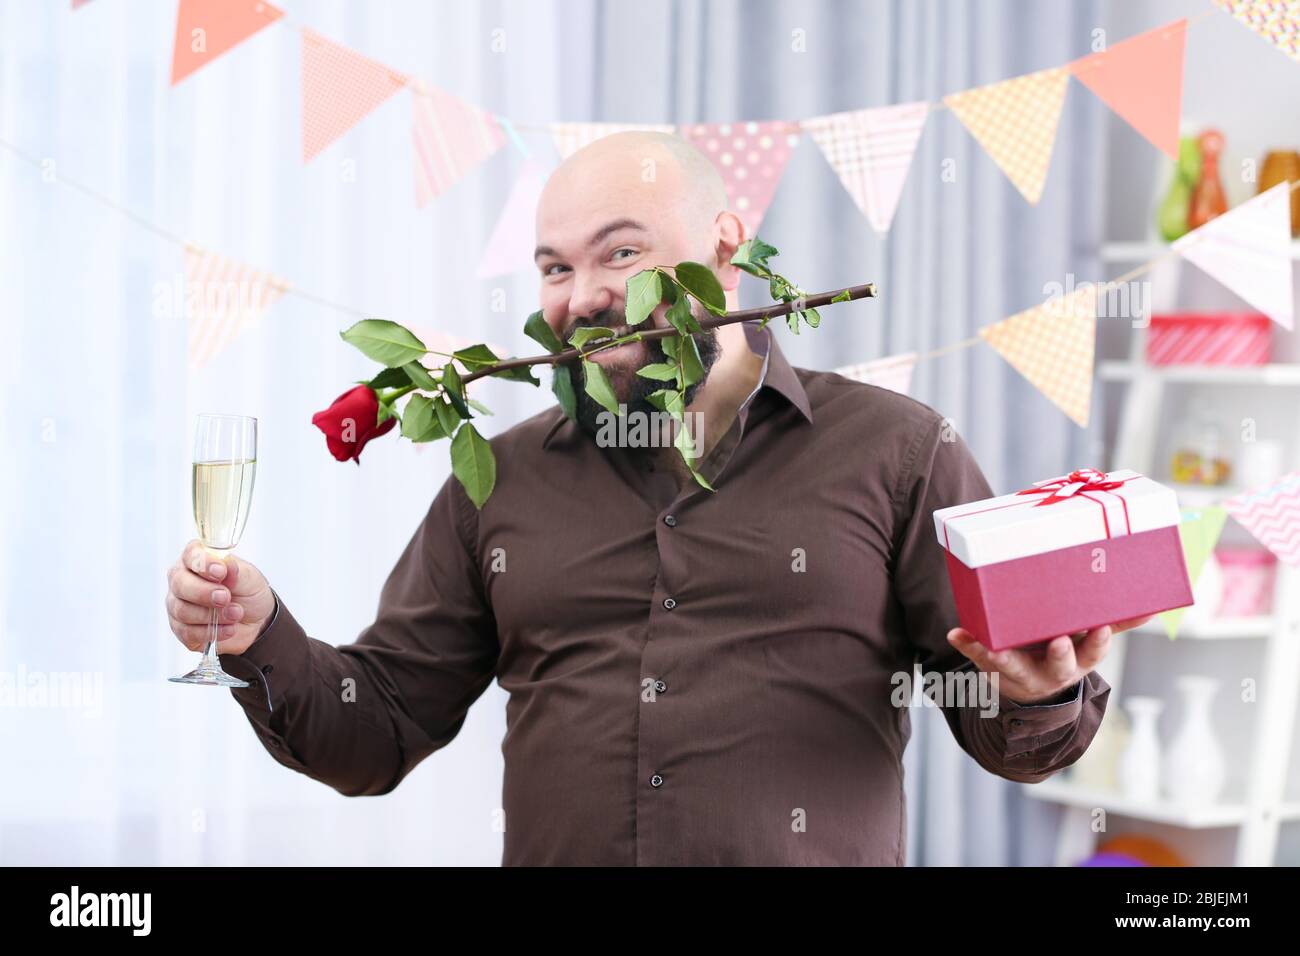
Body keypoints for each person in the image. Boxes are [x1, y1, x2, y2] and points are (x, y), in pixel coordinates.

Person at [164, 131, 1147, 865]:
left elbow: (999, 722)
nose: (581, 294)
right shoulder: (494, 478)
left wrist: (1035, 691)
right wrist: (259, 634)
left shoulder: (897, 450)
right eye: (555, 265)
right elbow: (372, 731)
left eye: (619, 253)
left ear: (726, 241)